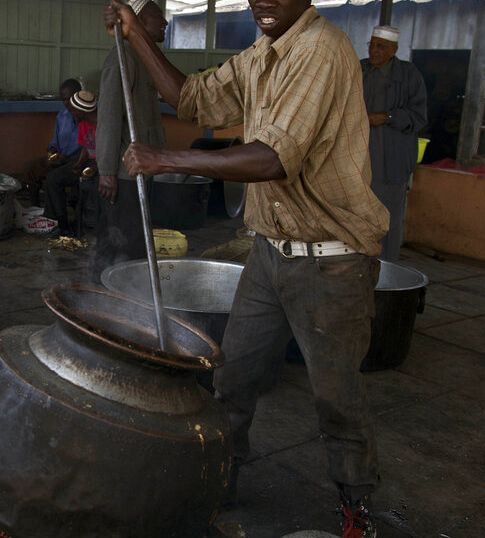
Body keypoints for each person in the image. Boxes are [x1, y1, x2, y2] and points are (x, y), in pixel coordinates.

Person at [104, 1, 389, 536]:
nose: (262, 1)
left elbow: (273, 159)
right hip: (269, 252)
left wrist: (165, 159)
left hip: (330, 263)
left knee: (336, 398)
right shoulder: (262, 53)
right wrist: (135, 34)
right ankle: (219, 484)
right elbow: (190, 99)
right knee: (232, 379)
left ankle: (357, 508)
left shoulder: (321, 50)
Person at [93, 0, 168, 279]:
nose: (164, 23)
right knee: (119, 243)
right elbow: (109, 117)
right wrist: (107, 171)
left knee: (135, 243)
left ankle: (129, 297)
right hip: (125, 174)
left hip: (143, 168)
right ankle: (105, 297)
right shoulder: (122, 58)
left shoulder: (145, 57)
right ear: (136, 21)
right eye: (157, 17)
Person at [362, 25, 428, 261]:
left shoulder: (409, 75)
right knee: (356, 216)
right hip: (359, 159)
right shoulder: (360, 70)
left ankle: (387, 271)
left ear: (394, 50)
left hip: (392, 161)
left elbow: (419, 117)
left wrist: (387, 117)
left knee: (387, 219)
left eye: (381, 46)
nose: (374, 50)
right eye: (371, 45)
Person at [44, 90, 98, 234]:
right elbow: (86, 148)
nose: (71, 114)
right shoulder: (83, 124)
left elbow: (108, 155)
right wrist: (79, 163)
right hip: (87, 163)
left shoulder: (103, 125)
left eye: (74, 111)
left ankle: (86, 227)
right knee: (53, 178)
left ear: (82, 111)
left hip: (103, 167)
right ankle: (59, 223)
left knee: (86, 184)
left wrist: (93, 167)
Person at [26, 79, 83, 207]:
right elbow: (54, 144)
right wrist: (53, 153)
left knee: (53, 179)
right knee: (32, 169)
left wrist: (68, 158)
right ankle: (35, 209)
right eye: (64, 99)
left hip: (78, 160)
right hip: (60, 158)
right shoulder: (62, 116)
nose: (67, 103)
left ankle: (59, 217)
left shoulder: (86, 116)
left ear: (79, 95)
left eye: (70, 98)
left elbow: (89, 148)